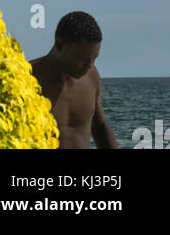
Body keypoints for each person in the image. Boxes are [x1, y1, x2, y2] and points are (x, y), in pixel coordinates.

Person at [30, 11, 118, 149]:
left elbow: (100, 127)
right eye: (83, 59)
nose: (89, 66)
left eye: (94, 59)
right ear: (60, 45)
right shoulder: (28, 78)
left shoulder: (91, 76)